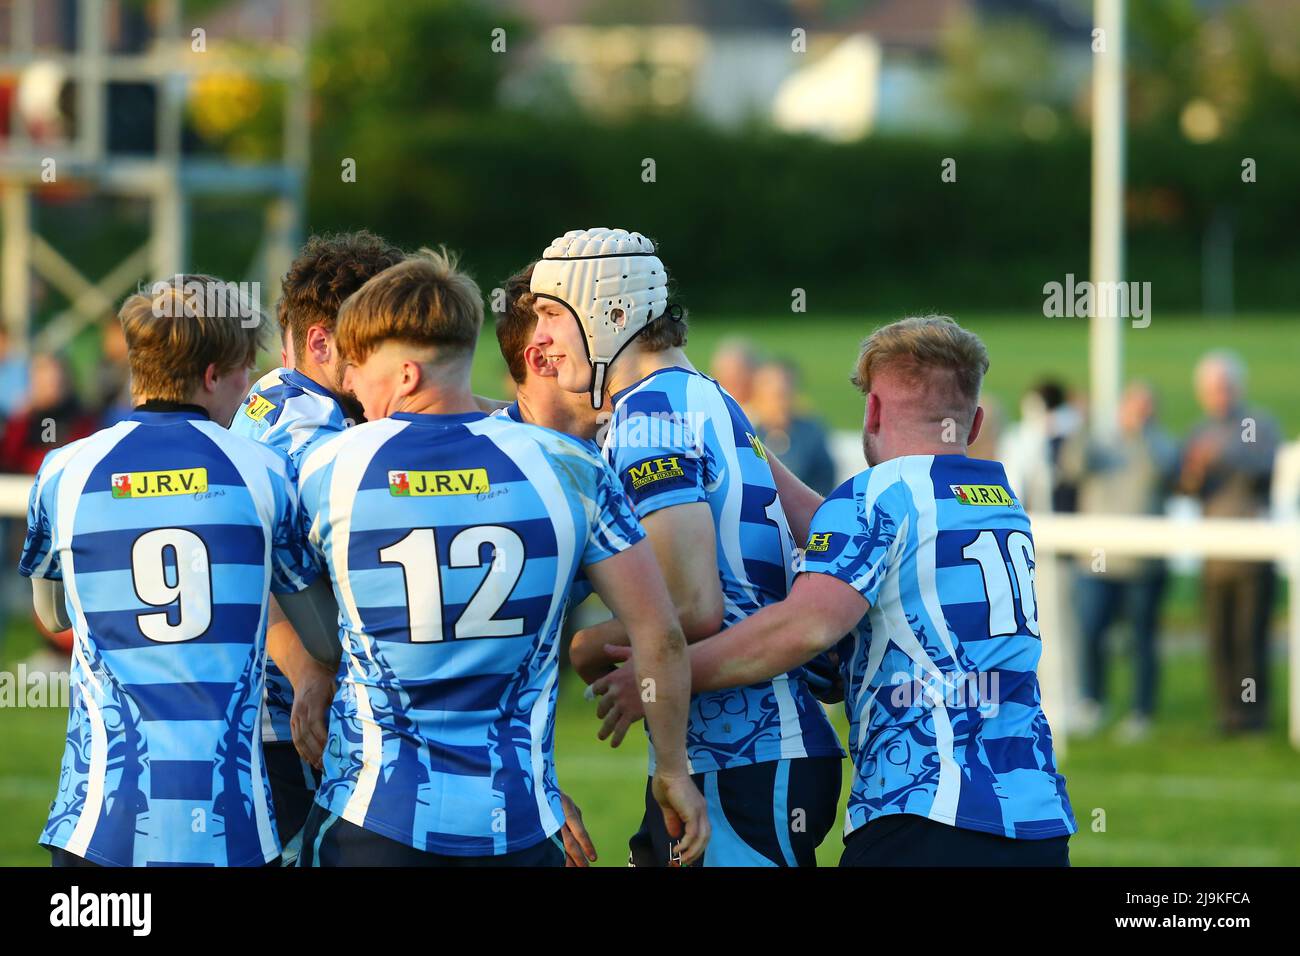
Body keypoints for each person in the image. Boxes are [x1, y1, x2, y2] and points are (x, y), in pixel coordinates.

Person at [593, 315, 1078, 866]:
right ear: (973, 423)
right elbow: (844, 541)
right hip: (1036, 816)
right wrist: (743, 441)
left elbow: (806, 626)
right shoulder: (999, 503)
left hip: (925, 810)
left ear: (871, 411)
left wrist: (664, 675)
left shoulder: (877, 497)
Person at [285, 248, 707, 866]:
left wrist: (313, 670)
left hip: (371, 821)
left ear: (404, 375)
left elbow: (311, 626)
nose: (349, 383)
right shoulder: (569, 467)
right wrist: (671, 769)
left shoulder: (327, 468)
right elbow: (659, 632)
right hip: (520, 827)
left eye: (359, 366)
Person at [530, 227, 843, 867]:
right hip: (757, 745)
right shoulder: (705, 395)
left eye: (550, 315)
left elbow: (690, 605)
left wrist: (589, 645)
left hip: (742, 751)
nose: (540, 340)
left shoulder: (646, 417)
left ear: (611, 314)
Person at [19, 275, 320, 866]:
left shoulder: (65, 469)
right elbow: (320, 633)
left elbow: (50, 614)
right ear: (211, 375)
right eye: (244, 374)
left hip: (98, 821)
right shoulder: (263, 470)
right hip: (232, 824)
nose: (251, 391)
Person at [227, 230, 406, 866]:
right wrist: (313, 671)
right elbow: (274, 569)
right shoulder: (311, 429)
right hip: (294, 725)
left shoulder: (282, 394)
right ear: (321, 342)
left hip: (273, 714)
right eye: (374, 344)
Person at [1059, 382, 1177, 740]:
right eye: (1132, 406)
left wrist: (1142, 434)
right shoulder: (1102, 442)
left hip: (1143, 564)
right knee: (1092, 633)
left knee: (1142, 640)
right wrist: (1081, 425)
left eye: (1144, 407)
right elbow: (1072, 468)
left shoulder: (1162, 444)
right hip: (1098, 562)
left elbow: (1163, 471)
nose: (1137, 413)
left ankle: (1142, 711)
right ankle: (1092, 702)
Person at [1179, 350, 1281, 734]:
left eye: (1224, 386)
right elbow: (1187, 487)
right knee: (1220, 640)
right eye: (1212, 389)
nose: (1219, 394)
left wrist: (1221, 454)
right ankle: (1227, 713)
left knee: (1249, 639)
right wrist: (1195, 468)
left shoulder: (1258, 423)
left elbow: (1263, 465)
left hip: (1252, 555)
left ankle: (1254, 715)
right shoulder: (1198, 431)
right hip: (1215, 554)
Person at [750, 359, 837, 495]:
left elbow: (825, 477)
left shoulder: (811, 432)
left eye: (782, 393)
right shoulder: (749, 432)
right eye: (772, 391)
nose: (778, 399)